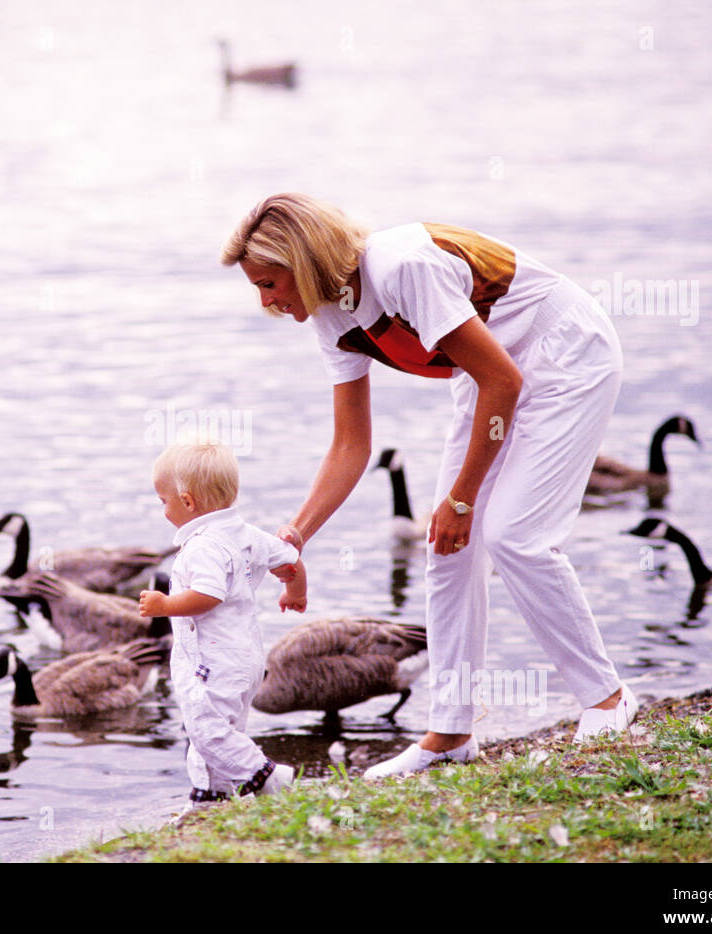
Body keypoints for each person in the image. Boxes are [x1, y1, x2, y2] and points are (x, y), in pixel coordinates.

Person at [220, 193, 637, 778]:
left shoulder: (401, 266)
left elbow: (503, 378)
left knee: (514, 534)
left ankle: (609, 701)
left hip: (565, 353)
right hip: (490, 375)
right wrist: (294, 539)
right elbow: (350, 446)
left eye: (269, 282)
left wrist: (462, 499)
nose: (267, 301)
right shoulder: (329, 313)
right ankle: (449, 736)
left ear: (304, 259)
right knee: (448, 551)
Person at [139, 442, 306, 808]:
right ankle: (209, 800)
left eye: (163, 501)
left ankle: (269, 778)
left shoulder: (203, 546)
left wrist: (165, 605)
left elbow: (208, 595)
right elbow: (290, 558)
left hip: (212, 662)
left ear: (188, 502)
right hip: (245, 659)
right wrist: (295, 591)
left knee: (205, 730)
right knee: (219, 730)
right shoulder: (246, 533)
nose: (163, 510)